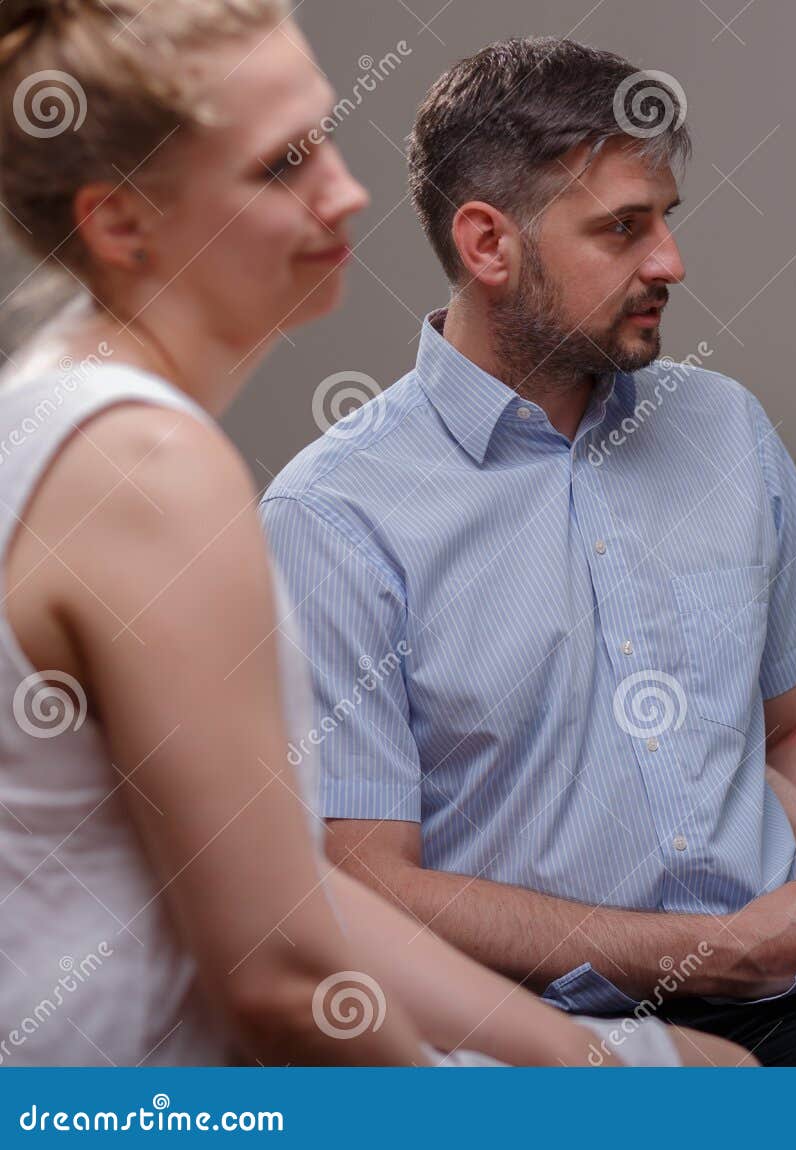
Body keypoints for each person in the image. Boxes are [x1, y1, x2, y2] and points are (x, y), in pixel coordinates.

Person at [0, 0, 745, 1068]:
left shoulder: (54, 400)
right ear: (121, 224)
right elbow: (283, 977)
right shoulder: (147, 468)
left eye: (326, 138)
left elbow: (296, 903)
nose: (344, 191)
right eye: (281, 165)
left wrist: (618, 1065)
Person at [259, 35, 796, 1067]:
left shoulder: (725, 426)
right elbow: (366, 879)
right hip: (509, 1031)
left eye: (666, 219)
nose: (669, 260)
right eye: (623, 229)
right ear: (489, 245)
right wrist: (705, 951)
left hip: (794, 1001)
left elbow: (795, 721)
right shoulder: (331, 512)